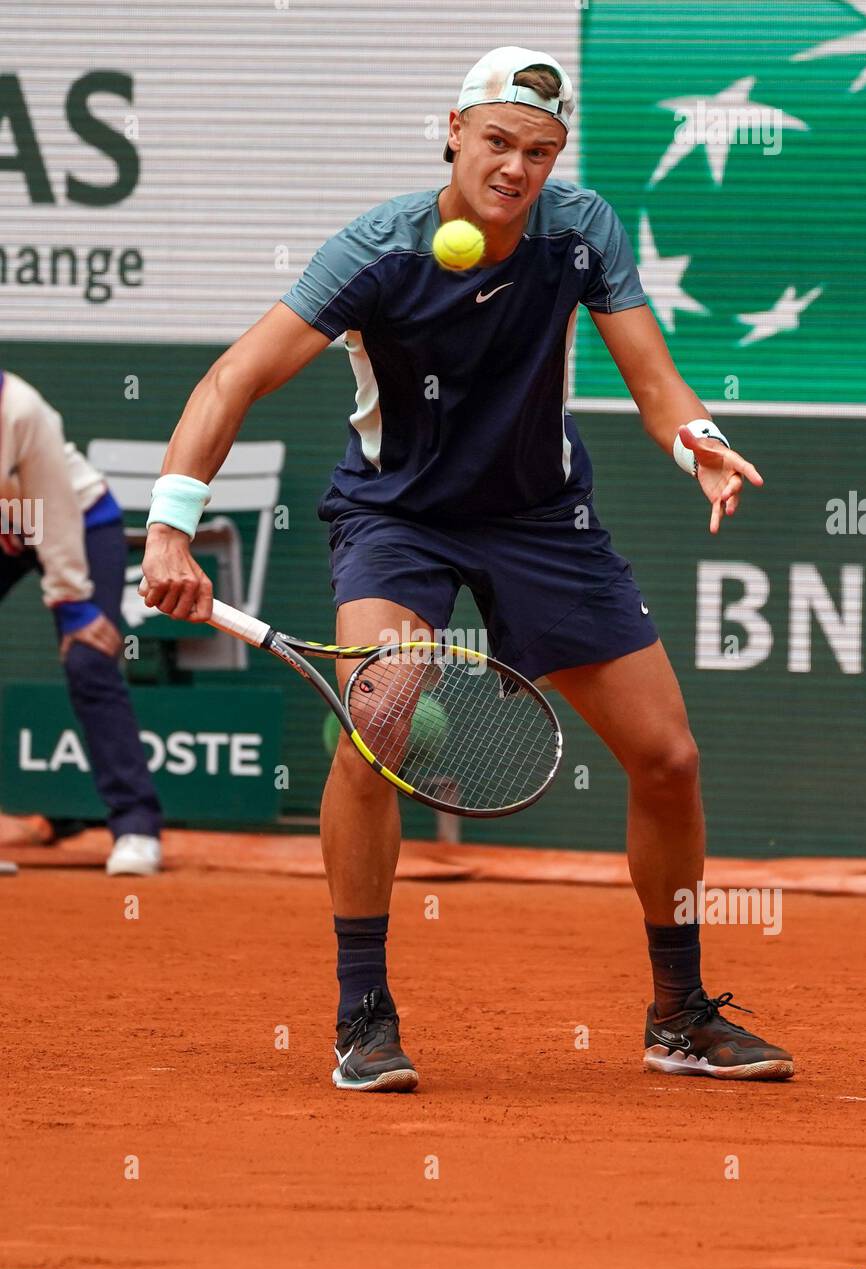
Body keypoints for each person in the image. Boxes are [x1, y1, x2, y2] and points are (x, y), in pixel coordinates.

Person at [140, 45, 793, 1088]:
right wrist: (172, 525)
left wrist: (697, 442)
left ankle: (676, 1014)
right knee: (382, 713)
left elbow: (655, 380)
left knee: (667, 759)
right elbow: (234, 377)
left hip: (539, 517)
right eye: (496, 141)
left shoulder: (580, 232)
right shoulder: (378, 248)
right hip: (398, 516)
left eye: (537, 151)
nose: (515, 168)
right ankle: (363, 1010)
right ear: (453, 129)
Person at [0, 369, 162, 875]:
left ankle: (136, 826)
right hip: (8, 525)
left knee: (89, 659)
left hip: (77, 517)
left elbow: (53, 507)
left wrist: (73, 605)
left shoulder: (20, 409)